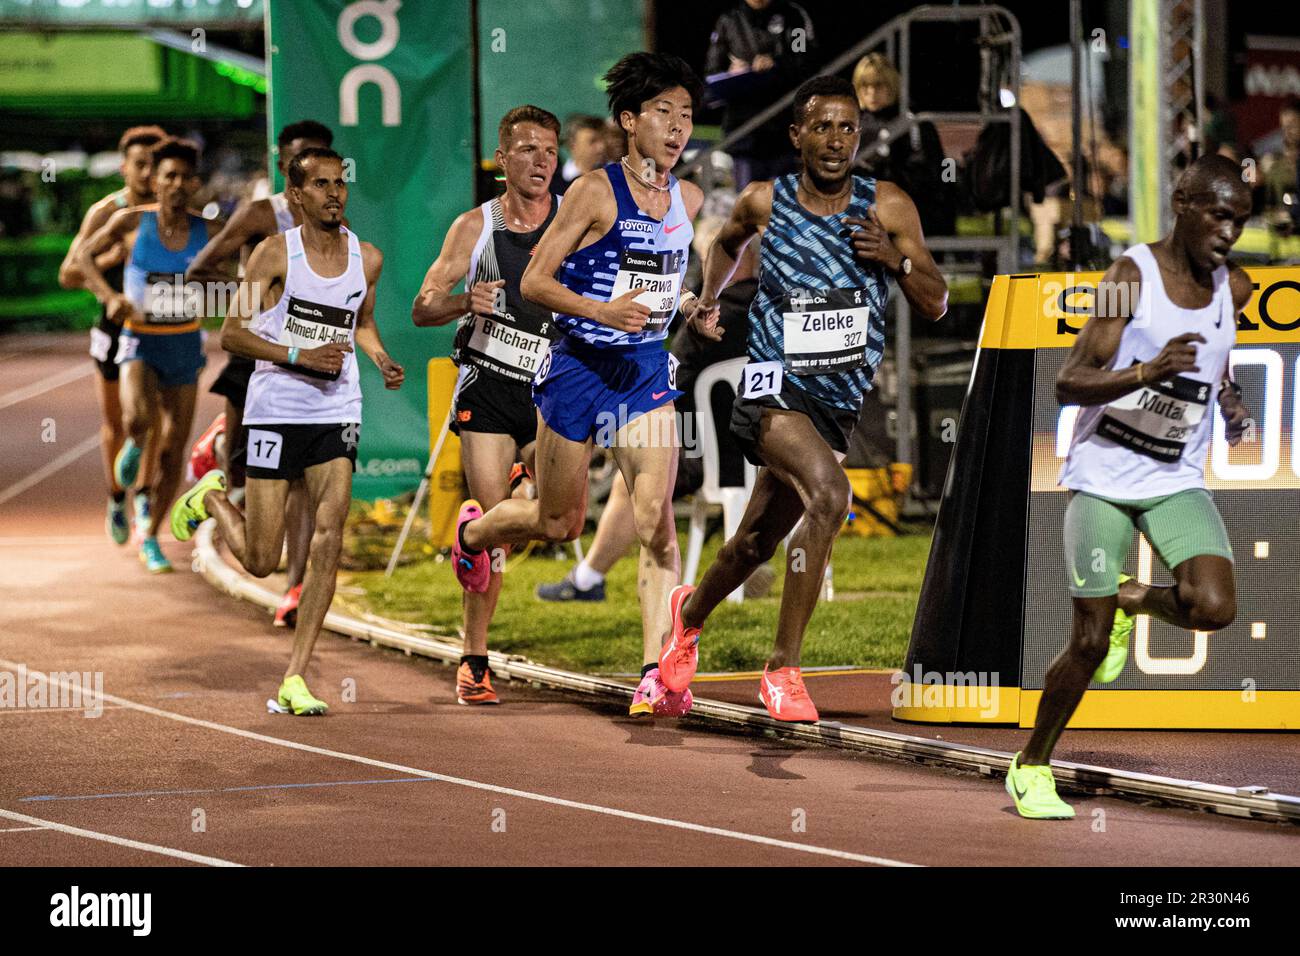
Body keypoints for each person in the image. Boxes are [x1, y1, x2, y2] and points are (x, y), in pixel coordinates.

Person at [660, 75, 948, 722]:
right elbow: (725, 242)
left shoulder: (889, 207)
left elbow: (938, 302)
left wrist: (894, 262)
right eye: (822, 127)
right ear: (797, 135)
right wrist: (708, 300)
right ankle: (783, 668)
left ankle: (688, 615)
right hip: (769, 388)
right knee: (831, 495)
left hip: (835, 403)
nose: (836, 140)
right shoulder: (766, 201)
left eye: (848, 128)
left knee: (755, 543)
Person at [450, 52, 707, 718]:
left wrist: (689, 305)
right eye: (663, 114)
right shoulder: (596, 191)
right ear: (629, 121)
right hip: (577, 368)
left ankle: (656, 674)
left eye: (686, 115)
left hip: (645, 370)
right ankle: (475, 537)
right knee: (556, 522)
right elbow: (534, 280)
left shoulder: (692, 198)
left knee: (656, 523)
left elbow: (670, 273)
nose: (678, 129)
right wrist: (600, 311)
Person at [1005, 154, 1253, 819]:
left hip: (1173, 478)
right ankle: (1031, 767)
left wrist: (1229, 403)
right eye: (1219, 215)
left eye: (1241, 221)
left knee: (1214, 605)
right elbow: (1069, 380)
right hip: (1105, 477)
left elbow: (1218, 360)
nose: (1229, 233)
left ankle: (1134, 601)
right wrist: (1146, 370)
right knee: (1087, 642)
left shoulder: (1237, 286)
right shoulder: (1127, 278)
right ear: (1182, 203)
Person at [170, 147, 404, 715]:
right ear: (296, 196)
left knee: (330, 532)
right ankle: (213, 499)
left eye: (339, 183)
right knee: (261, 560)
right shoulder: (275, 254)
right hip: (276, 409)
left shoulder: (366, 258)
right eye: (320, 184)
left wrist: (378, 357)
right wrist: (299, 353)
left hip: (337, 409)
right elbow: (233, 334)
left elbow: (361, 319)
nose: (334, 193)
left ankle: (295, 675)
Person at [411, 105, 562, 704]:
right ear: (502, 160)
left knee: (556, 514)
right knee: (500, 525)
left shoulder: (575, 220)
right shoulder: (474, 227)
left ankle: (469, 536)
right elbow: (423, 307)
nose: (540, 161)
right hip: (490, 386)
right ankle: (475, 660)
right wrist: (461, 302)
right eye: (526, 149)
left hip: (552, 387)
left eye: (549, 150)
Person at [538, 239, 760, 602]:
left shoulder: (706, 319)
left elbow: (670, 385)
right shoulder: (770, 309)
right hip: (761, 449)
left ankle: (588, 577)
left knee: (636, 473)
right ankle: (750, 558)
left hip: (710, 452)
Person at [186, 120, 336, 627]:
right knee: (241, 477)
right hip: (256, 359)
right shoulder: (260, 215)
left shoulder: (335, 221)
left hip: (311, 366)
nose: (310, 177)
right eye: (296, 163)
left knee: (301, 481)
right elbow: (200, 269)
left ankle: (293, 589)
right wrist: (255, 297)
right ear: (281, 167)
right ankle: (219, 462)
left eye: (319, 166)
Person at [73, 137, 218, 573]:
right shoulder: (131, 222)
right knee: (137, 420)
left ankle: (150, 536)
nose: (175, 184)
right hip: (139, 341)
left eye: (183, 177)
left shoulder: (208, 228)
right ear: (154, 181)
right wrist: (109, 294)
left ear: (194, 184)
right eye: (167, 176)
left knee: (174, 452)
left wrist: (227, 288)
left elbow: (242, 264)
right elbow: (81, 255)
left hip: (184, 344)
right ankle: (134, 445)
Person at [59, 125, 168, 545]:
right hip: (112, 328)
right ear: (125, 168)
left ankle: (144, 494)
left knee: (153, 416)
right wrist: (109, 258)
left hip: (157, 327)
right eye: (139, 165)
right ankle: (115, 495)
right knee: (117, 422)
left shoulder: (170, 211)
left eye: (154, 165)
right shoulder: (107, 212)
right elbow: (68, 273)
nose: (147, 173)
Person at [704, 0, 817, 189]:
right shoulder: (729, 20)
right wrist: (733, 72)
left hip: (784, 131)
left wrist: (776, 63)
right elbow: (712, 73)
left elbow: (805, 60)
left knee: (785, 206)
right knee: (749, 205)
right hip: (744, 133)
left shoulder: (793, 16)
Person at [851, 53, 954, 237]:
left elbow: (930, 179)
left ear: (891, 86)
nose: (871, 93)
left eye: (878, 86)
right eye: (865, 86)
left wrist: (884, 167)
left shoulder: (913, 123)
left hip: (907, 212)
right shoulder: (852, 123)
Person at [557, 115, 606, 195]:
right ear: (572, 145)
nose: (601, 147)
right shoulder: (553, 184)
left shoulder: (613, 178)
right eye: (593, 141)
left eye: (602, 140)